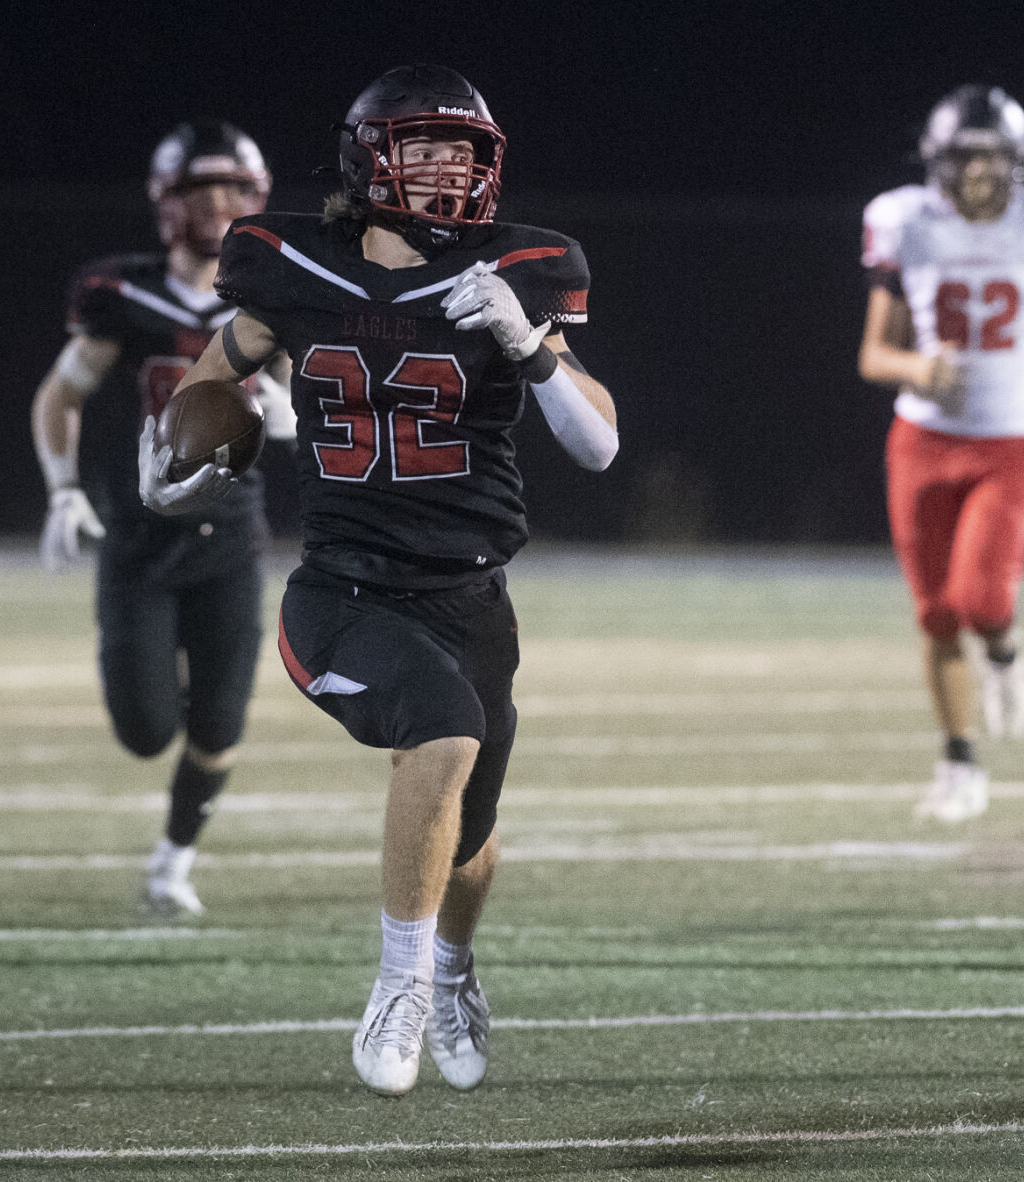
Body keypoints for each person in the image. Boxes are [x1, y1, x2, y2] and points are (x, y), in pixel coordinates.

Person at [139, 64, 617, 1096]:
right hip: (343, 589)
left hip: (474, 595)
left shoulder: (519, 270)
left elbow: (599, 447)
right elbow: (218, 376)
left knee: (473, 842)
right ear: (368, 161)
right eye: (427, 149)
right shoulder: (288, 262)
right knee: (440, 735)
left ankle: (450, 965)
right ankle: (397, 984)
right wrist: (176, 453)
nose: (451, 172)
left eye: (466, 152)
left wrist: (529, 347)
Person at [30, 121, 293, 918]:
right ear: (166, 202)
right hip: (140, 540)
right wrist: (62, 487)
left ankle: (172, 863)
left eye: (233, 190)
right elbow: (61, 394)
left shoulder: (271, 292)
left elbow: (306, 394)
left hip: (231, 535)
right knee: (146, 730)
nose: (218, 205)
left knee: (220, 721)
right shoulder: (124, 293)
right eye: (200, 189)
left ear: (256, 201)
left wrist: (292, 412)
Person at [858, 84, 1024, 822]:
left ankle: (1004, 650)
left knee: (984, 599)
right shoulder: (906, 224)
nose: (975, 173)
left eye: (989, 157)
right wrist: (918, 368)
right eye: (963, 157)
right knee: (935, 612)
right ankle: (960, 762)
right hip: (924, 441)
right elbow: (875, 354)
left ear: (1016, 162)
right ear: (938, 161)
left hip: (1012, 438)